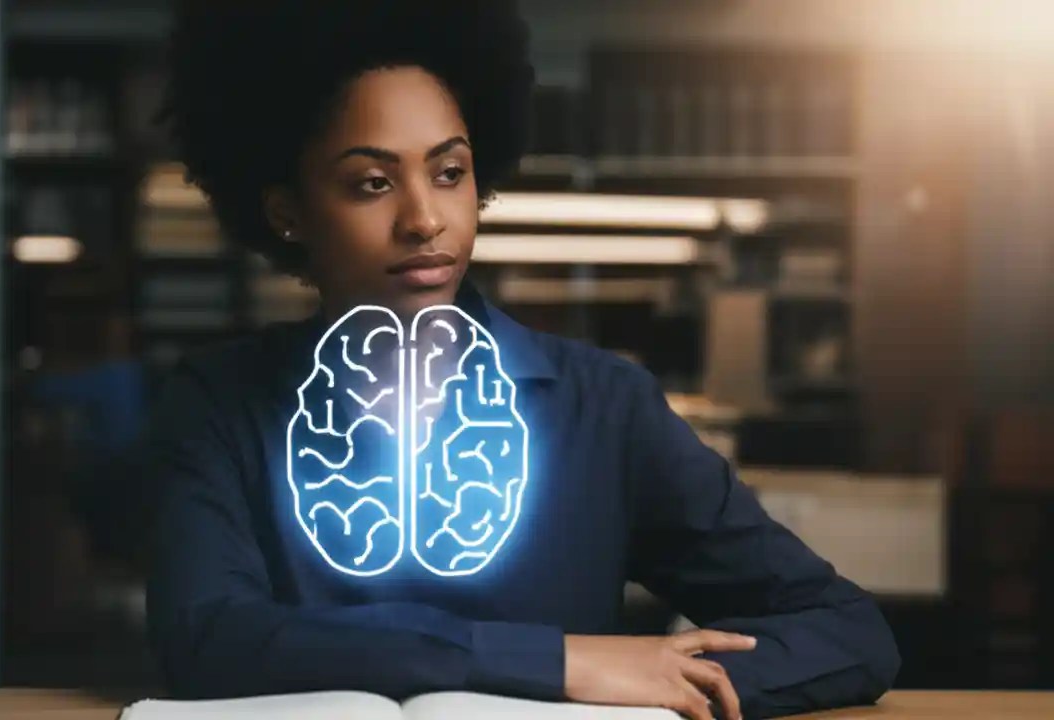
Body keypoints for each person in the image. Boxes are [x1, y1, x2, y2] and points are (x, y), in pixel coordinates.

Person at [146, 2, 900, 719]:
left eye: (449, 172)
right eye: (372, 183)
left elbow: (844, 630)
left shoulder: (605, 407)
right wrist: (557, 662)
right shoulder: (218, 404)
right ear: (286, 211)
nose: (425, 219)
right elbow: (207, 638)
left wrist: (670, 685)